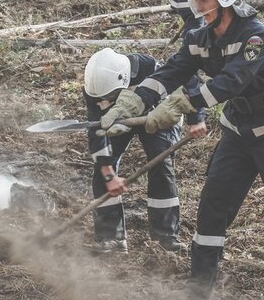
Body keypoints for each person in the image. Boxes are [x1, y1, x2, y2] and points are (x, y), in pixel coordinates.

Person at [100, 0, 264, 299]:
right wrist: (134, 100)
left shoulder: (254, 35)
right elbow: (171, 71)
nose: (198, 9)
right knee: (213, 205)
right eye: (194, 1)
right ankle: (199, 285)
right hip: (238, 133)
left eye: (203, 0)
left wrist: (181, 105)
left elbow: (231, 81)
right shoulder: (198, 39)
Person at [82, 48, 206, 253]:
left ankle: (166, 236)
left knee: (160, 163)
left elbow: (190, 81)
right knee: (103, 170)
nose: (107, 99)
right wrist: (107, 172)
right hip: (119, 119)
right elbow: (97, 132)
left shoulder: (148, 67)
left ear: (122, 81)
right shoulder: (93, 89)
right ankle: (110, 237)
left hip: (158, 114)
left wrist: (196, 119)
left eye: (112, 96)